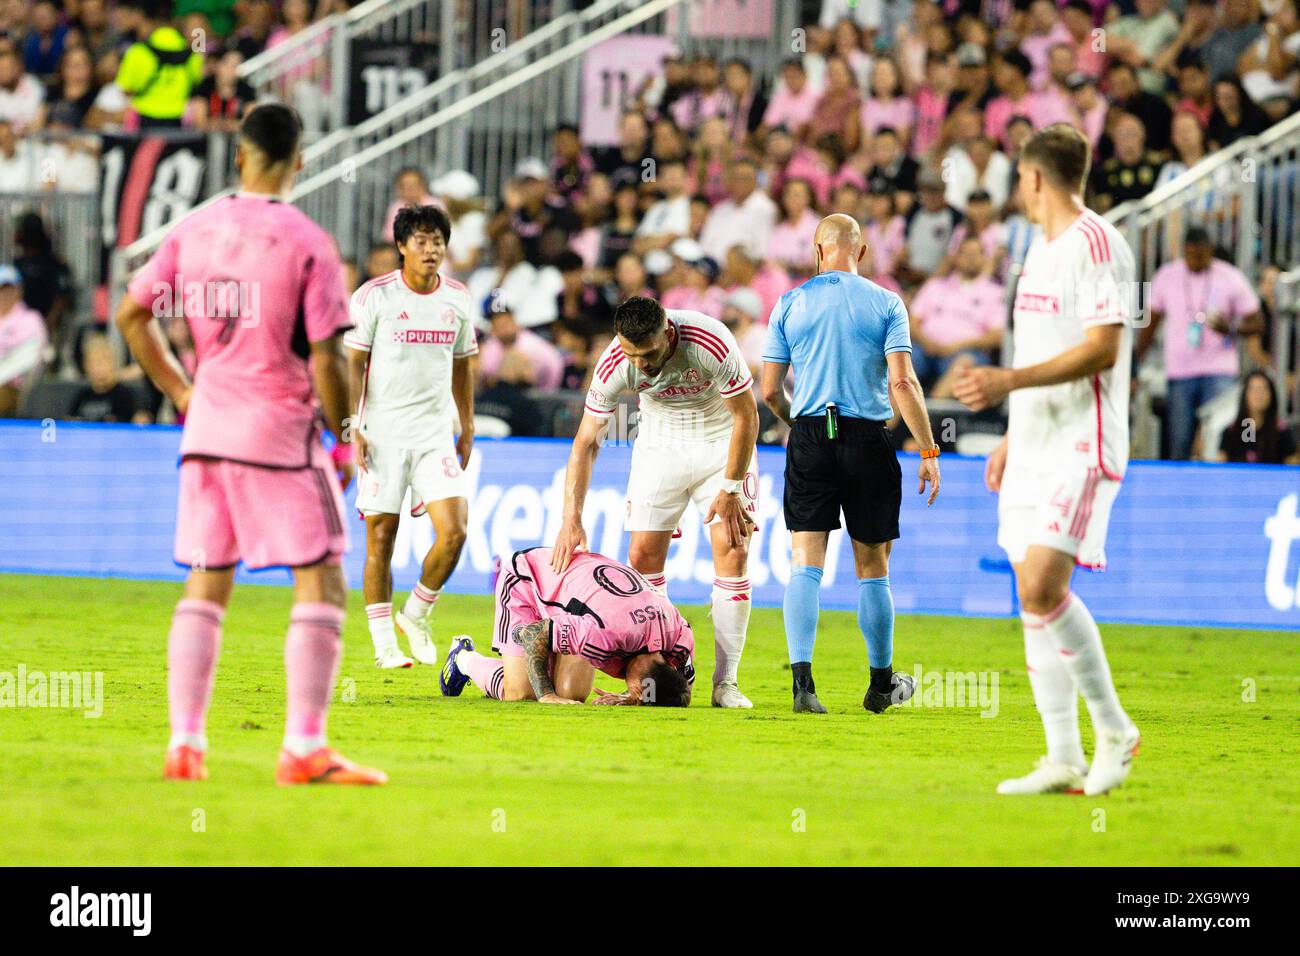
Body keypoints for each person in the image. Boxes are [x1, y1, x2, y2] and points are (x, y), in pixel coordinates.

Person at [115, 103, 385, 786]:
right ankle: (304, 748)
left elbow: (131, 313)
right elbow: (327, 357)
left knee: (207, 581)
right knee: (320, 575)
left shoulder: (194, 229)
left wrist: (181, 392)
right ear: (300, 161)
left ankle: (185, 744)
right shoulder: (308, 242)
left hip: (206, 431)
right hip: (277, 431)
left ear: (239, 156)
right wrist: (345, 438)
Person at [954, 123, 1140, 797]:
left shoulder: (1100, 244)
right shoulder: (1038, 247)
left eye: (1020, 181)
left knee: (1041, 585)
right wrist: (1012, 432)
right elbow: (1043, 343)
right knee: (1029, 599)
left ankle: (1115, 731)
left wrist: (1008, 385)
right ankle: (1062, 754)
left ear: (1035, 178)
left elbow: (1102, 349)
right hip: (1031, 442)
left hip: (1080, 442)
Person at [761, 214, 940, 715]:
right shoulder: (886, 303)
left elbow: (770, 389)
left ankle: (802, 685)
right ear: (860, 253)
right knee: (873, 569)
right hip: (867, 436)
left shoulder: (790, 303)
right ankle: (880, 684)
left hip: (812, 433)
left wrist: (796, 424)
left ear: (818, 250)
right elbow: (903, 384)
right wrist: (928, 449)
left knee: (805, 564)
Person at [551, 297, 759, 708]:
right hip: (660, 446)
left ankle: (726, 683)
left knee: (733, 551)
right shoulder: (615, 362)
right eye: (632, 354)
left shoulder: (710, 341)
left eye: (647, 354)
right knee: (643, 557)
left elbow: (746, 416)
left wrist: (732, 487)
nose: (641, 365)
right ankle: (657, 676)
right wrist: (571, 518)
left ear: (667, 333)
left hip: (721, 443)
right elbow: (586, 441)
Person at [346, 204, 477, 669]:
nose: (430, 249)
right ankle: (385, 646)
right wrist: (352, 425)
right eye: (420, 241)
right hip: (382, 435)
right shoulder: (373, 297)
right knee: (381, 539)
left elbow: (463, 364)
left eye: (437, 240)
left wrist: (468, 423)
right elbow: (351, 365)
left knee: (455, 532)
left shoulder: (458, 298)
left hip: (435, 435)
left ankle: (417, 612)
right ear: (401, 247)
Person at [438, 547, 695, 706]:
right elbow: (534, 633)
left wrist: (634, 696)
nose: (637, 698)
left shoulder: (681, 640)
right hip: (527, 580)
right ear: (640, 687)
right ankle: (463, 658)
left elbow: (683, 690)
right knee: (520, 692)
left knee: (572, 693)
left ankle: (544, 664)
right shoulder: (604, 634)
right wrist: (546, 694)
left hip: (576, 599)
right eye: (640, 696)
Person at [1139, 227, 1264, 460]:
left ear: (1211, 251)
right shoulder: (1168, 275)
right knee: (1180, 440)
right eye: (1191, 255)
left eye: (1202, 255)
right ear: (1184, 251)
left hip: (1219, 369)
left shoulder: (1229, 275)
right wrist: (1136, 362)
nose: (1196, 260)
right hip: (1180, 370)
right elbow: (1150, 323)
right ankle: (1178, 492)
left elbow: (1258, 322)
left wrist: (1232, 328)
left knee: (1217, 440)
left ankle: (1218, 491)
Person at [908, 236, 1006, 397]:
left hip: (966, 352)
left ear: (984, 258)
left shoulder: (994, 292)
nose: (970, 259)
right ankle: (887, 421)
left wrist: (957, 346)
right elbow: (911, 322)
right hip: (925, 348)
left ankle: (932, 415)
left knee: (964, 364)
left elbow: (997, 336)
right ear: (957, 258)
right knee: (901, 359)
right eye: (965, 254)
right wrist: (927, 342)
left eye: (975, 254)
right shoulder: (935, 285)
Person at [114, 0, 203, 129]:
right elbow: (196, 83)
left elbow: (125, 89)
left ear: (144, 17)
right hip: (180, 127)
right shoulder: (193, 55)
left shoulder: (137, 52)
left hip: (144, 126)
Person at [1220, 370, 1299, 464]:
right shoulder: (1231, 431)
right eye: (1254, 389)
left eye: (1263, 389)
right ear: (1245, 395)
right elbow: (1221, 465)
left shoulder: (1281, 431)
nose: (1259, 394)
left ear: (1271, 394)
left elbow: (1292, 468)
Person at [0, 264, 46, 417]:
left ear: (19, 290)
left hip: (14, 388)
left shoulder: (31, 319)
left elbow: (30, 360)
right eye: (1, 289)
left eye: (9, 289)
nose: (5, 294)